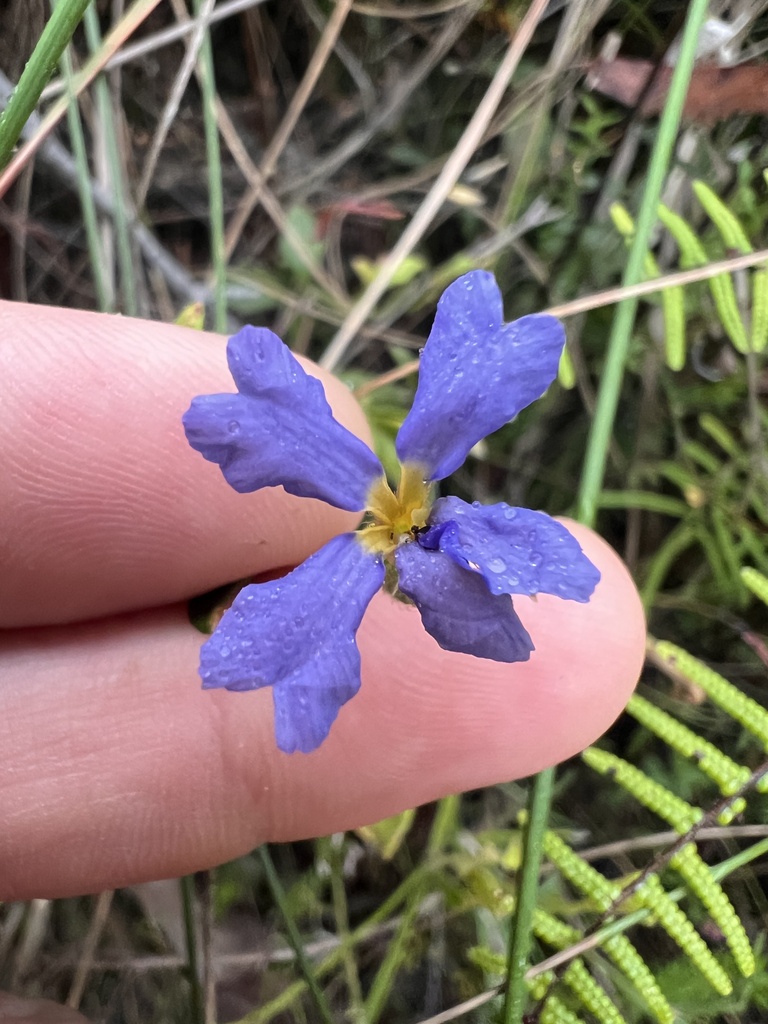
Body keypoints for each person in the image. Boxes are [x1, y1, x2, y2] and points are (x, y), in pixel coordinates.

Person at [0, 301, 645, 1021]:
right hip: (349, 560)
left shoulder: (417, 521)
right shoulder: (369, 537)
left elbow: (464, 589)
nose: (406, 520)